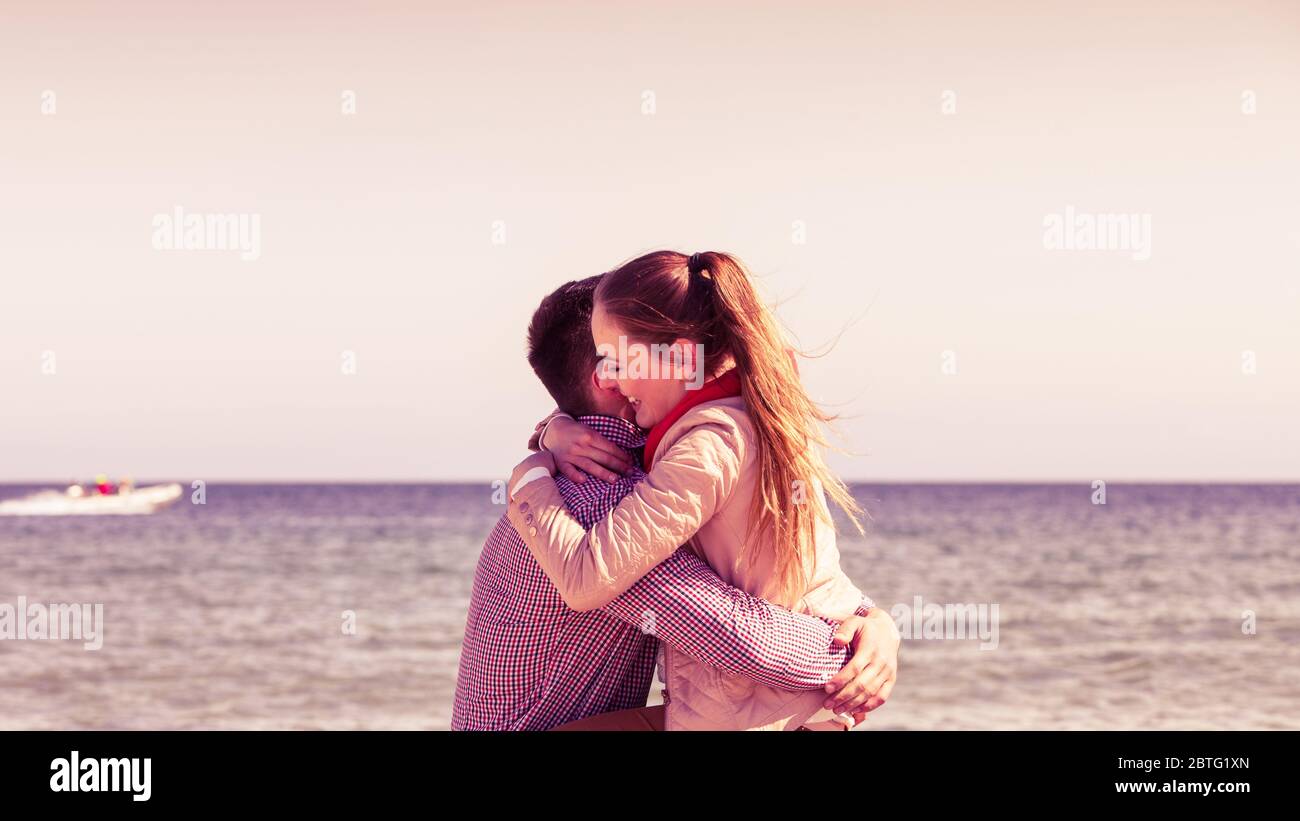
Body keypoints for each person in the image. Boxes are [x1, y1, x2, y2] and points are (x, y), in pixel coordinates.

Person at [453, 275, 898, 731]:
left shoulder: (626, 470)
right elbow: (740, 638)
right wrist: (859, 656)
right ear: (609, 378)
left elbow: (798, 568)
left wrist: (873, 620)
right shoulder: (599, 498)